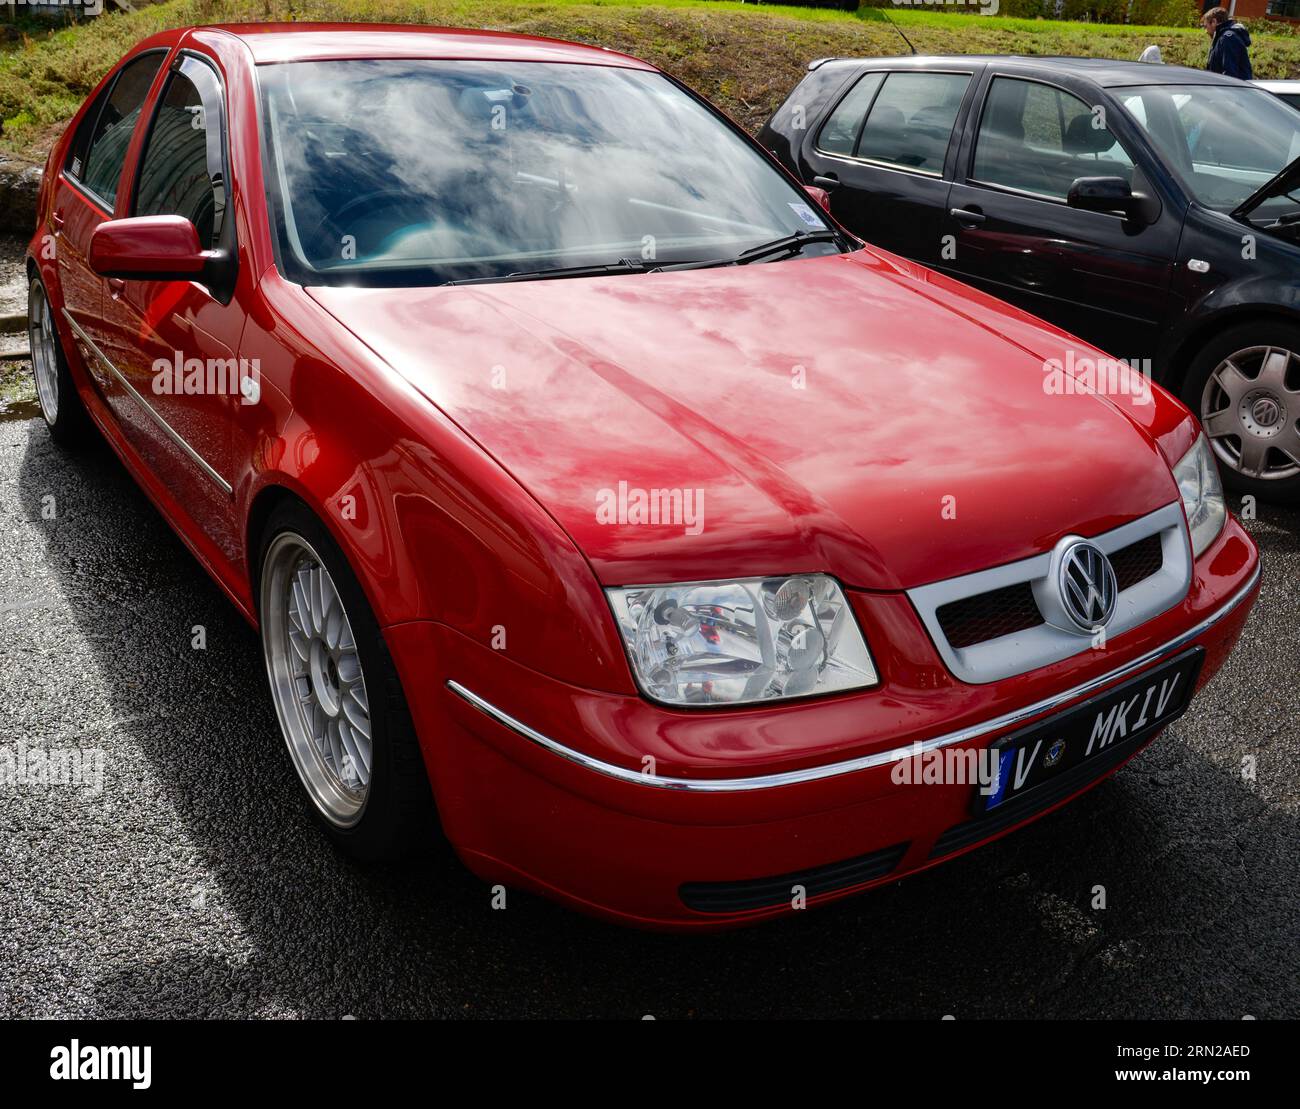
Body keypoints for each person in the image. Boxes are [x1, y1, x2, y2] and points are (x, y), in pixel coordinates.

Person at [1202, 7, 1253, 81]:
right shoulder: (1223, 37)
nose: (1205, 31)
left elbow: (1230, 73)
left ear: (1214, 22)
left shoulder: (1227, 38)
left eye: (1205, 26)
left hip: (1233, 90)